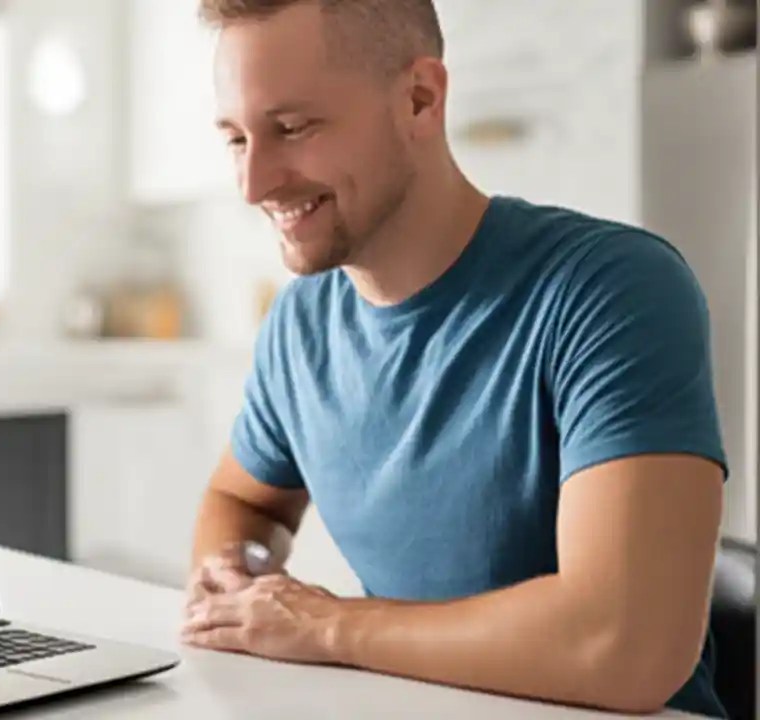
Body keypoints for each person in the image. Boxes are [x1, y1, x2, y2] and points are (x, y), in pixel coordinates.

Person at [180, 1, 729, 717]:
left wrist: (327, 626)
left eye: (292, 128)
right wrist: (233, 576)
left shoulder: (612, 290)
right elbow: (242, 501)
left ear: (420, 99)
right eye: (235, 138)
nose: (253, 184)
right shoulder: (300, 325)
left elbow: (627, 646)